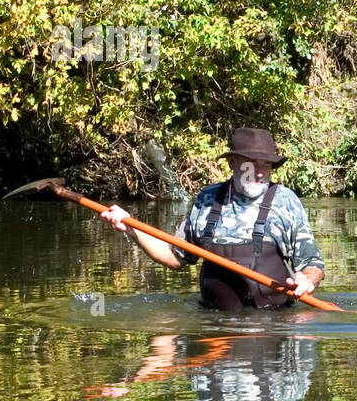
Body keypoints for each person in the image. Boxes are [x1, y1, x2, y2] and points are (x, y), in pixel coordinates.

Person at [101, 127, 326, 310]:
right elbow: (174, 255)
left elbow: (313, 265)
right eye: (251, 164)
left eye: (265, 165)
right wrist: (131, 228)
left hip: (274, 325)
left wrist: (306, 280)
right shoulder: (207, 199)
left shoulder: (286, 201)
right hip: (215, 328)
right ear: (232, 164)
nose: (259, 172)